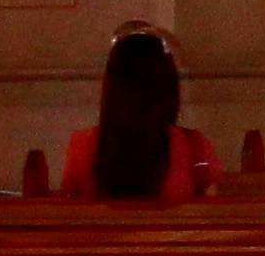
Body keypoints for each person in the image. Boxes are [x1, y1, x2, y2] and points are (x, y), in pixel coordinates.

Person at [63, 26, 217, 204]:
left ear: (112, 89)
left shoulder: (83, 146)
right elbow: (208, 212)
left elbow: (71, 212)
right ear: (168, 87)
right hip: (174, 232)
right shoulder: (194, 146)